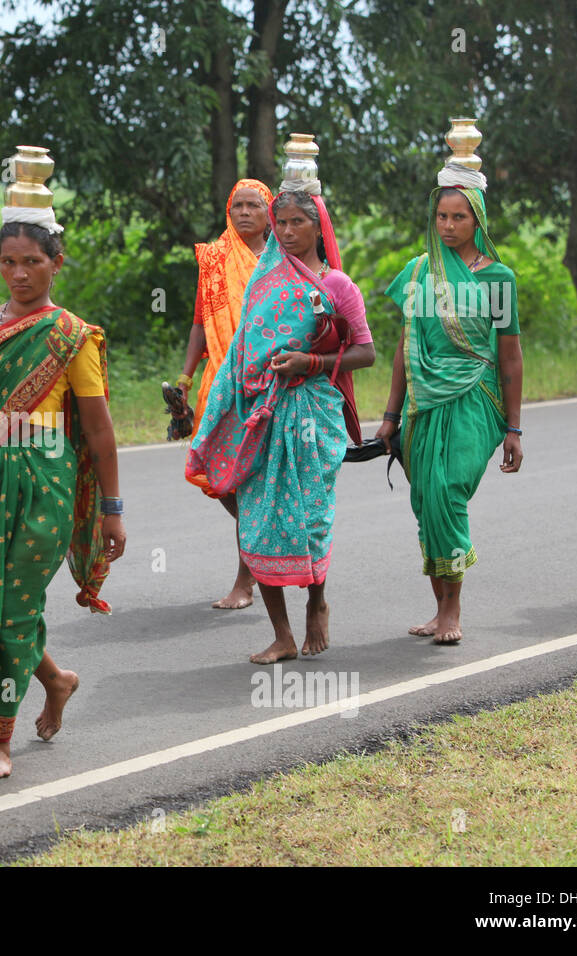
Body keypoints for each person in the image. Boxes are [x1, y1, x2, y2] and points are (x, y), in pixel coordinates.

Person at [0, 155, 125, 779]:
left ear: (56, 264)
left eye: (32, 262)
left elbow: (97, 430)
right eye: (8, 262)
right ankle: (56, 679)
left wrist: (112, 510)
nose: (19, 273)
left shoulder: (72, 335)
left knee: (11, 605)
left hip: (45, 482)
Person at [186, 184, 375, 665]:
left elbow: (365, 352)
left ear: (319, 227)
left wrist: (310, 362)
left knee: (310, 517)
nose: (288, 232)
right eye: (283, 222)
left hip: (311, 413)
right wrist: (222, 407)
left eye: (298, 223)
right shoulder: (264, 280)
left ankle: (316, 605)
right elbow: (243, 349)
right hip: (259, 413)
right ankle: (282, 634)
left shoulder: (336, 285)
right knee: (257, 518)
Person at [376, 157, 522, 646]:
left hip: (475, 399)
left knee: (449, 492)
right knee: (425, 499)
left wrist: (514, 429)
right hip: (423, 404)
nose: (449, 225)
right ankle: (438, 609)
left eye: (460, 217)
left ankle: (454, 610)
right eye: (442, 216)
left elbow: (510, 357)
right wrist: (391, 415)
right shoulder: (422, 271)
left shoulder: (498, 278)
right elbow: (405, 347)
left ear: (478, 219)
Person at [178, 178, 274, 610]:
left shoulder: (282, 257)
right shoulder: (215, 258)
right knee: (224, 480)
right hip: (219, 381)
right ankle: (262, 549)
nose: (244, 212)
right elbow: (202, 320)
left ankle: (246, 577)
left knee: (251, 481)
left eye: (254, 205)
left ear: (268, 212)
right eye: (237, 205)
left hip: (267, 382)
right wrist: (184, 377)